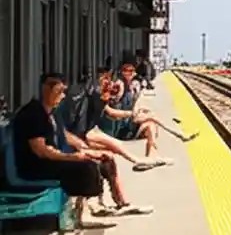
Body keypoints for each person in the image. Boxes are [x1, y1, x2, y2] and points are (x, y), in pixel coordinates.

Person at [11, 73, 151, 217]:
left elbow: (65, 135)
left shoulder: (52, 112)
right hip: (36, 167)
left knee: (106, 159)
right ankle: (92, 206)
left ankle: (122, 203)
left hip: (51, 161)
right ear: (46, 90)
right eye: (59, 91)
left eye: (64, 91)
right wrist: (73, 157)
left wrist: (86, 149)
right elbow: (42, 151)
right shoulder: (33, 114)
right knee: (88, 167)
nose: (64, 96)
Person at [61, 67, 171, 172]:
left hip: (90, 131)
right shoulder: (96, 93)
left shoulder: (104, 92)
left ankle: (149, 158)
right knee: (114, 147)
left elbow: (112, 109)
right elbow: (111, 111)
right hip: (90, 133)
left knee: (117, 145)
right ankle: (141, 160)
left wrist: (133, 112)